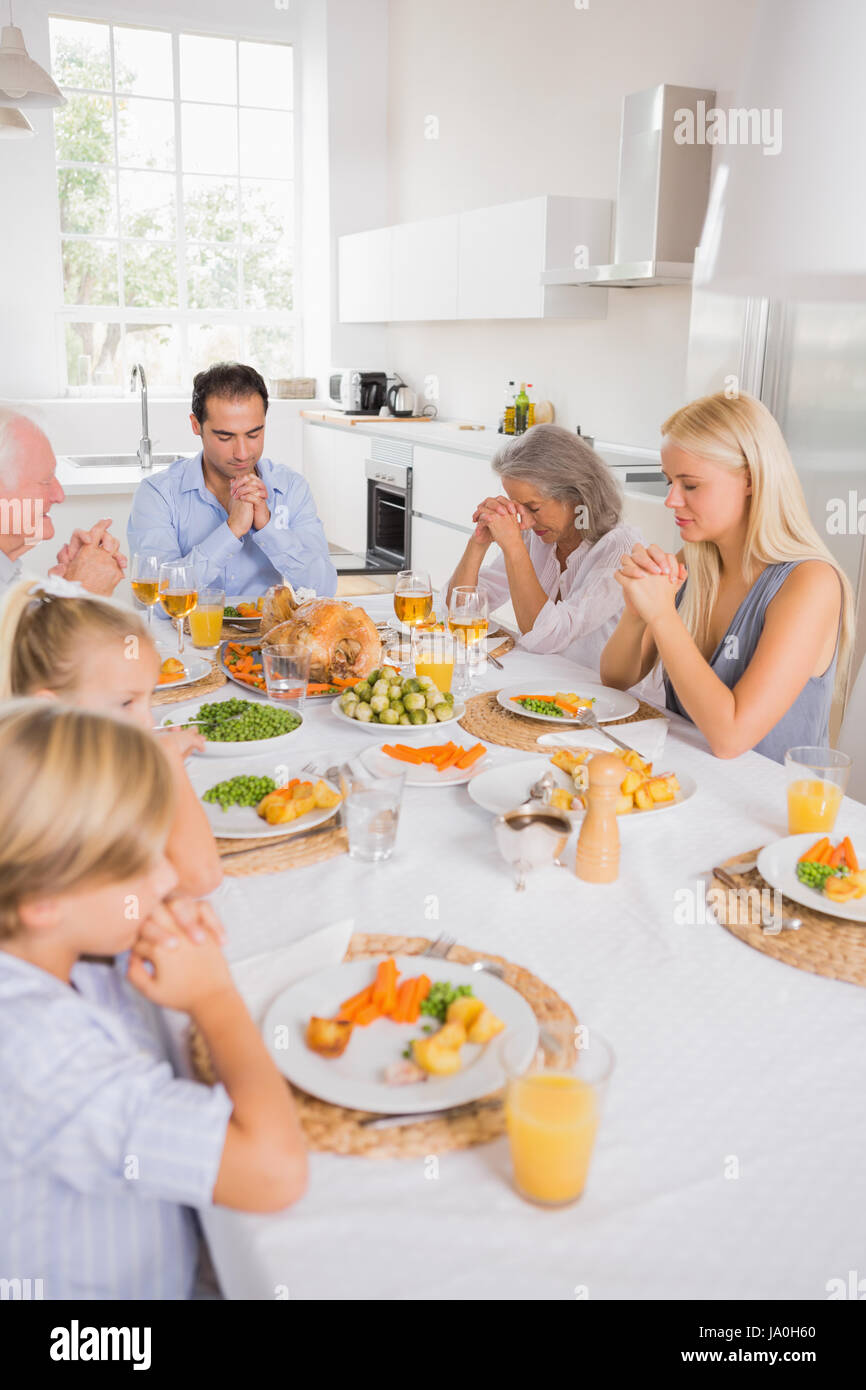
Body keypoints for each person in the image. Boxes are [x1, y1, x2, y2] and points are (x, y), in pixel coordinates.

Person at [0, 702, 307, 1299]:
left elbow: (171, 886)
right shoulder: (36, 1053)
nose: (168, 879)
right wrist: (214, 996)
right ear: (43, 901)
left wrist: (137, 909)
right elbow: (275, 1174)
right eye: (140, 863)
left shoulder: (50, 943)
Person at [600, 392, 854, 762]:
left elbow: (732, 738)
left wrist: (662, 614)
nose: (672, 500)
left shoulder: (810, 583)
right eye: (669, 481)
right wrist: (636, 613)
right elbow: (617, 679)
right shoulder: (696, 561)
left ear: (750, 480)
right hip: (693, 783)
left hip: (773, 810)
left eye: (690, 485)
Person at [0, 578, 223, 898]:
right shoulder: (57, 802)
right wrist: (168, 762)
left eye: (149, 699)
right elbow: (200, 876)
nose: (148, 721)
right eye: (125, 703)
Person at [447, 423, 661, 693]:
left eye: (533, 507)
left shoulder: (618, 549)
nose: (523, 517)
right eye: (516, 505)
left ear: (577, 496)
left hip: (605, 700)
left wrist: (513, 546)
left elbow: (547, 637)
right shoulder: (537, 534)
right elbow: (458, 609)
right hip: (549, 684)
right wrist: (478, 543)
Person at [127, 362, 337, 598]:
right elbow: (155, 600)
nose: (243, 453)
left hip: (264, 634)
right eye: (225, 437)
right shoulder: (158, 494)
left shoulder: (290, 488)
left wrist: (268, 528)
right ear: (196, 425)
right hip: (181, 634)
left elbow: (324, 589)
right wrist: (232, 530)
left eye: (254, 434)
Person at [0, 407, 126, 598]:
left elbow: (17, 623)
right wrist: (79, 595)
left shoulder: (8, 573)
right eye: (45, 480)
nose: (59, 495)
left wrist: (65, 585)